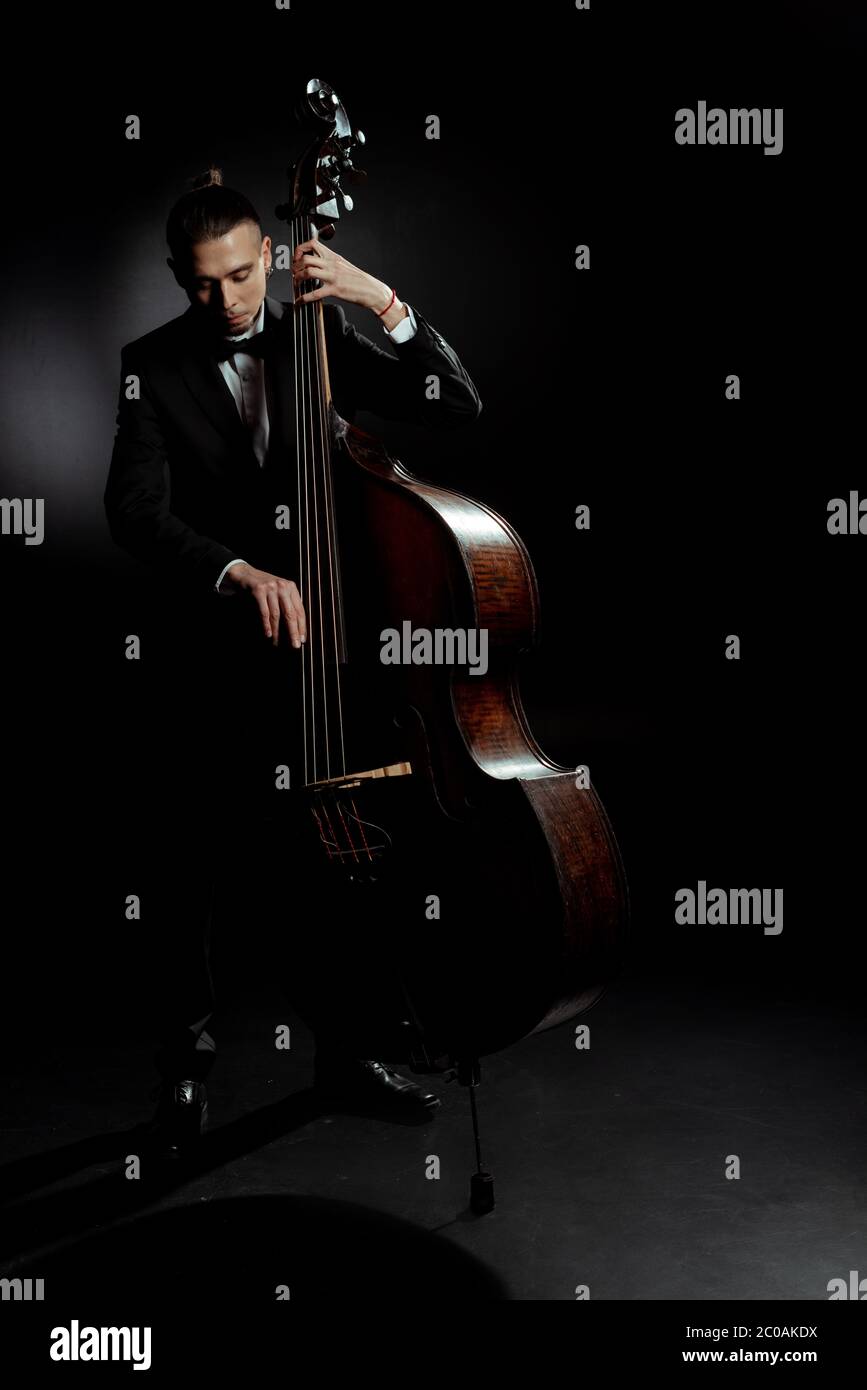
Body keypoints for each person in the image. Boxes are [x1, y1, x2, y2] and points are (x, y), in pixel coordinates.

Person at [104, 168, 482, 1153]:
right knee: (189, 874)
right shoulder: (149, 365)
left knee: (340, 856)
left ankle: (349, 1053)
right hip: (213, 664)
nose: (225, 301)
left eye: (239, 276)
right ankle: (183, 1080)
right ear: (179, 279)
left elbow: (458, 402)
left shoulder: (318, 339)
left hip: (334, 658)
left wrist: (382, 301)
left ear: (269, 257)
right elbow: (135, 511)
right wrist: (239, 572)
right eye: (201, 284)